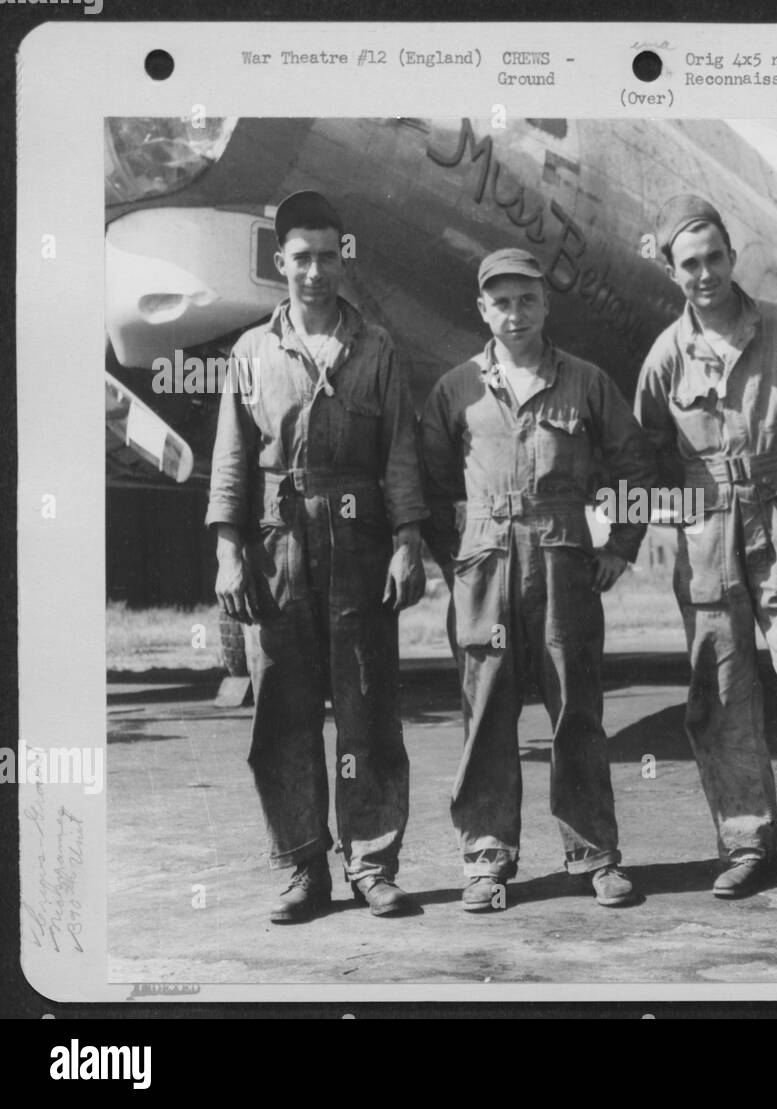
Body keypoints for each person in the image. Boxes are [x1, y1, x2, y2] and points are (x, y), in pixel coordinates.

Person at [634, 195, 777, 907]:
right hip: (706, 536)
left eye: (713, 258)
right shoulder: (666, 355)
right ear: (674, 273)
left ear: (732, 258)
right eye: (689, 264)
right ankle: (748, 844)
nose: (703, 273)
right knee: (721, 692)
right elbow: (645, 442)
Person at [207, 190, 428, 922]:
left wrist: (406, 541)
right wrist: (228, 553)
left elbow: (399, 452)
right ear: (280, 263)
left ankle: (371, 865)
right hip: (279, 551)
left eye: (328, 256)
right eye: (301, 257)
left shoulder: (377, 348)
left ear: (344, 258)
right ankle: (303, 867)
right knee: (282, 714)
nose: (315, 270)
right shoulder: (249, 353)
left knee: (369, 712)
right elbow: (233, 463)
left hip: (361, 550)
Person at [418, 248, 656, 911]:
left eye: (527, 300)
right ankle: (487, 857)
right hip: (485, 565)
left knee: (575, 709)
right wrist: (455, 558)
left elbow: (636, 463)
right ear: (482, 310)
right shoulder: (455, 390)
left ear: (546, 305)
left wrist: (624, 545)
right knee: (487, 710)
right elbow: (427, 483)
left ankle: (595, 854)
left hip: (563, 562)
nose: (515, 314)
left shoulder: (585, 382)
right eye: (501, 302)